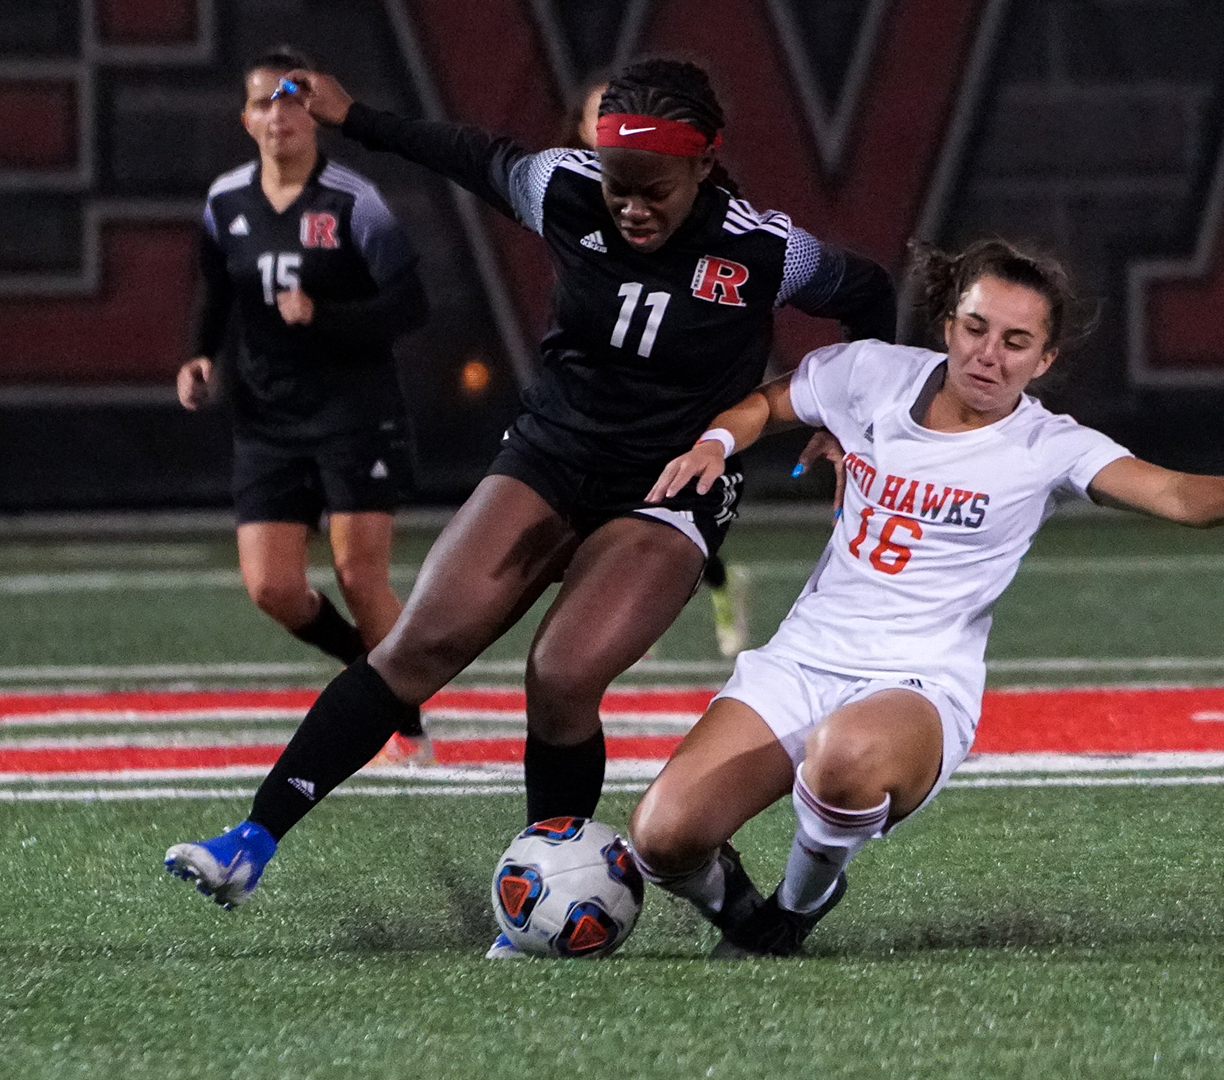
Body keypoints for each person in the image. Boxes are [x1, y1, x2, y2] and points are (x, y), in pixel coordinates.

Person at [164, 59, 899, 955]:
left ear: (707, 164)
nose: (628, 205)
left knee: (559, 676)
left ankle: (542, 898)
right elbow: (467, 153)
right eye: (616, 183)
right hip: (552, 452)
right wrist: (356, 114)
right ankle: (253, 838)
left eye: (652, 190)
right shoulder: (566, 185)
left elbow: (867, 295)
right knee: (419, 643)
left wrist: (850, 421)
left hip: (667, 484)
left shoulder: (762, 248)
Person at [626, 237, 1224, 957]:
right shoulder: (875, 374)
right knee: (663, 837)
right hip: (804, 659)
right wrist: (716, 441)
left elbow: (1177, 494)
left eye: (1017, 341)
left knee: (844, 758)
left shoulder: (1049, 446)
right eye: (977, 328)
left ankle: (796, 908)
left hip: (917, 684)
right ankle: (743, 915)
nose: (990, 354)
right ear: (948, 324)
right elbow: (773, 402)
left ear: (1044, 360)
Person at [177, 48, 434, 765]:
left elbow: (410, 304)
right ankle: (372, 672)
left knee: (359, 575)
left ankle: (403, 720)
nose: (280, 114)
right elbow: (214, 290)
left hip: (354, 409)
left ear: (314, 110)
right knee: (273, 587)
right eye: (265, 102)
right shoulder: (226, 199)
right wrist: (199, 355)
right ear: (245, 119)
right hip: (267, 415)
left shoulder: (353, 200)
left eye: (294, 99)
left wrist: (325, 315)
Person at [559, 75, 753, 657]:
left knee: (667, 490)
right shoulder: (570, 196)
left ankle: (704, 583)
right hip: (597, 388)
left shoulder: (703, 216)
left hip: (671, 390)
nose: (618, 140)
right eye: (603, 127)